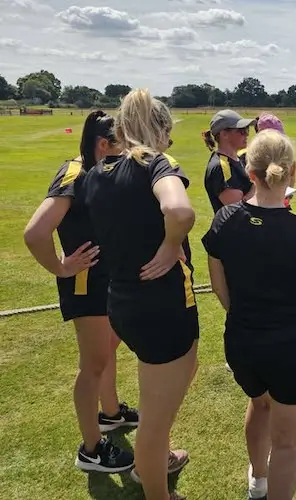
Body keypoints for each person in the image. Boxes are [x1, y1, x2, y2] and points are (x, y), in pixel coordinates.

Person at [202, 129, 296, 500]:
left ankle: (258, 481)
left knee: (259, 405)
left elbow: (219, 287)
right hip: (293, 348)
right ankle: (262, 482)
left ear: (250, 172)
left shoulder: (224, 221)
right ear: (291, 172)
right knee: (288, 444)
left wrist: (246, 316)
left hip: (243, 341)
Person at [83, 89, 196, 500]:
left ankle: (157, 459)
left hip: (123, 300)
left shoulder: (97, 172)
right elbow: (180, 211)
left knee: (164, 389)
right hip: (159, 303)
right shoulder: (156, 165)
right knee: (155, 418)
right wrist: (170, 247)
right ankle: (155, 489)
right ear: (159, 128)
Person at [23, 111, 137, 474]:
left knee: (107, 351)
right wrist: (60, 266)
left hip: (105, 279)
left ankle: (111, 413)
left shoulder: (99, 170)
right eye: (124, 144)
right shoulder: (76, 174)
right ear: (103, 145)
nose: (129, 153)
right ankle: (91, 450)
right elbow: (35, 232)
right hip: (86, 282)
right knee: (93, 365)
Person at [203, 109, 255, 213]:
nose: (246, 134)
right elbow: (238, 210)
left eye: (247, 130)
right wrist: (260, 184)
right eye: (241, 131)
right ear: (224, 134)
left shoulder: (238, 158)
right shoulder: (221, 167)